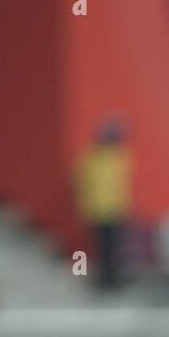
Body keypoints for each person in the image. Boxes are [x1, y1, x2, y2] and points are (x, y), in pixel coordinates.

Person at [74, 118, 133, 290]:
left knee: (116, 248)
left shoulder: (119, 157)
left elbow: (121, 186)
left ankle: (114, 280)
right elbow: (83, 184)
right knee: (102, 249)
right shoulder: (91, 158)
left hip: (115, 211)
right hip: (98, 212)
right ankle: (104, 281)